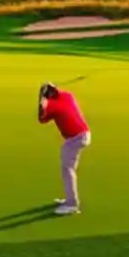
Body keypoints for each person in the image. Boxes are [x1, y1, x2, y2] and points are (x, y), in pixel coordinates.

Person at [37, 82, 91, 215]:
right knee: (68, 168)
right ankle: (70, 199)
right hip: (83, 134)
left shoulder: (52, 105)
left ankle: (72, 204)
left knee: (67, 169)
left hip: (75, 138)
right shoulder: (68, 96)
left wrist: (41, 101)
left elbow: (41, 118)